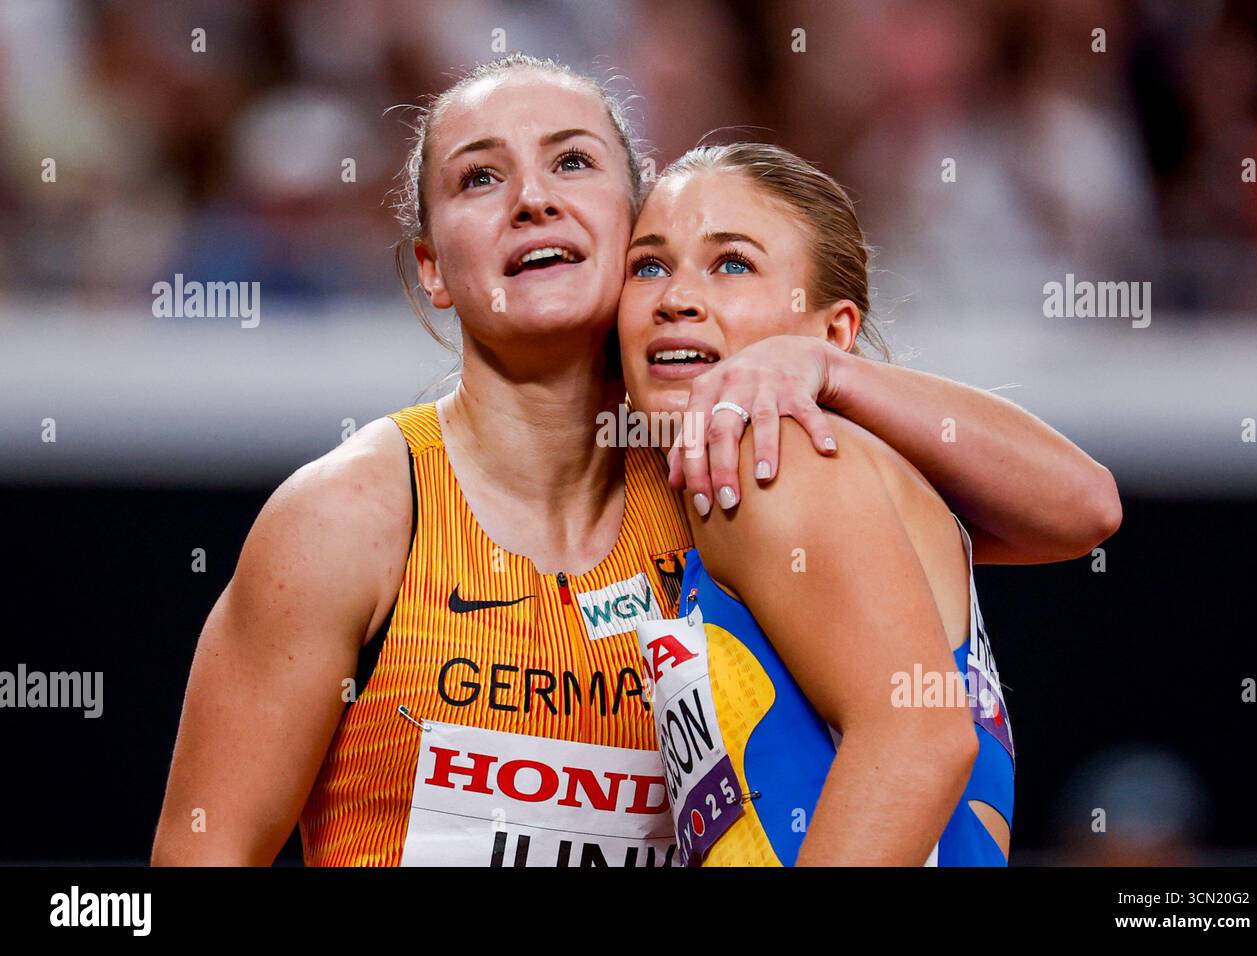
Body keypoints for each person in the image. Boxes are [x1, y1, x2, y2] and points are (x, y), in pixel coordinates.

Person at [151, 55, 1118, 867]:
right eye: (479, 179)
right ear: (433, 269)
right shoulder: (348, 518)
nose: (532, 199)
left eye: (572, 163)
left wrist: (830, 368)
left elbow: (1078, 510)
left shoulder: (732, 477)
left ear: (625, 222)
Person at [623, 143, 1088, 865]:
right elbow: (1085, 510)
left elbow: (918, 740)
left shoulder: (778, 455)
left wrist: (830, 373)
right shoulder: (845, 475)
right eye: (648, 266)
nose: (675, 296)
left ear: (832, 328)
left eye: (733, 264)